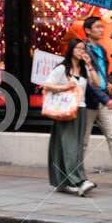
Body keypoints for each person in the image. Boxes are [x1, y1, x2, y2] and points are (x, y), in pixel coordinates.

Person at [45, 40, 95, 196]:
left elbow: (97, 83)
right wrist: (65, 87)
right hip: (65, 111)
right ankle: (79, 180)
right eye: (78, 48)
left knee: (74, 146)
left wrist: (90, 65)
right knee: (69, 147)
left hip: (80, 110)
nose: (81, 50)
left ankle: (63, 181)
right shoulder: (62, 69)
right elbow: (47, 85)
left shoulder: (84, 69)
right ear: (71, 49)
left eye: (83, 48)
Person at [81, 16, 112, 174]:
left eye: (102, 27)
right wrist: (106, 99)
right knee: (83, 141)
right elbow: (86, 81)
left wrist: (107, 87)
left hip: (103, 99)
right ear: (87, 30)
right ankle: (77, 175)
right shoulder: (83, 50)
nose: (101, 30)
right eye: (97, 27)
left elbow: (101, 74)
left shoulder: (102, 49)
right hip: (89, 101)